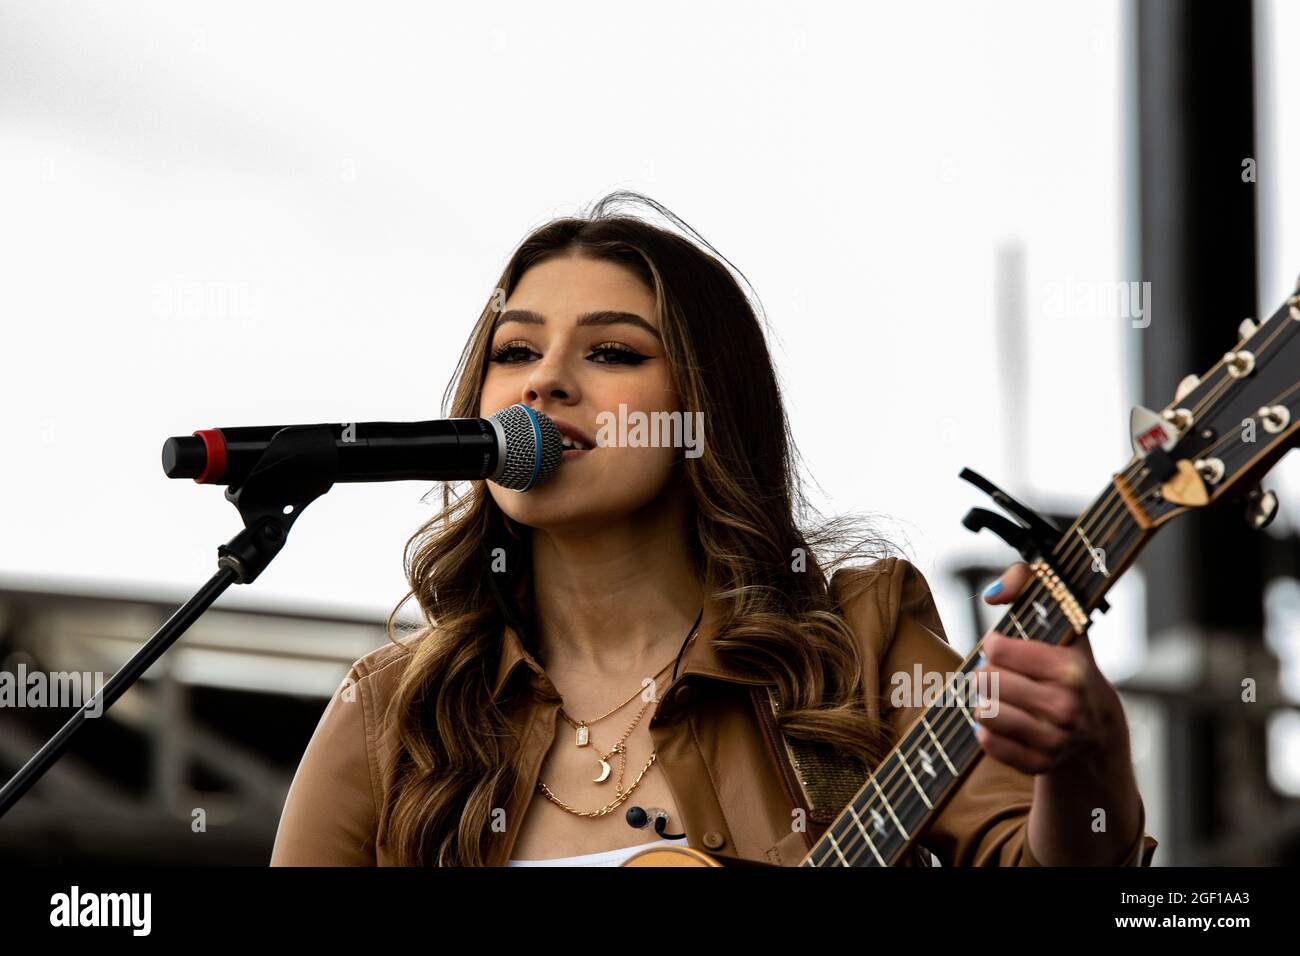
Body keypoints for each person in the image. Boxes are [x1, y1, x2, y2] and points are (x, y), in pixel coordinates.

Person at [270, 193, 1157, 867]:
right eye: (514, 351)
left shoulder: (857, 645)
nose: (544, 383)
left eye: (612, 351)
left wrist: (1089, 754)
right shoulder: (394, 714)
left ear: (704, 409)